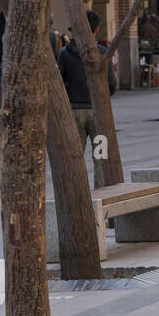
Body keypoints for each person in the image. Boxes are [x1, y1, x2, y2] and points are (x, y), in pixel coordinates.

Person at [58, 10, 117, 187]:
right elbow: (112, 84)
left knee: (75, 157)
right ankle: (101, 192)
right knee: (101, 157)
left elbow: (59, 83)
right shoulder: (103, 52)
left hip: (74, 113)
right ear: (96, 29)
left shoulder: (65, 53)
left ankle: (78, 193)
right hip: (99, 116)